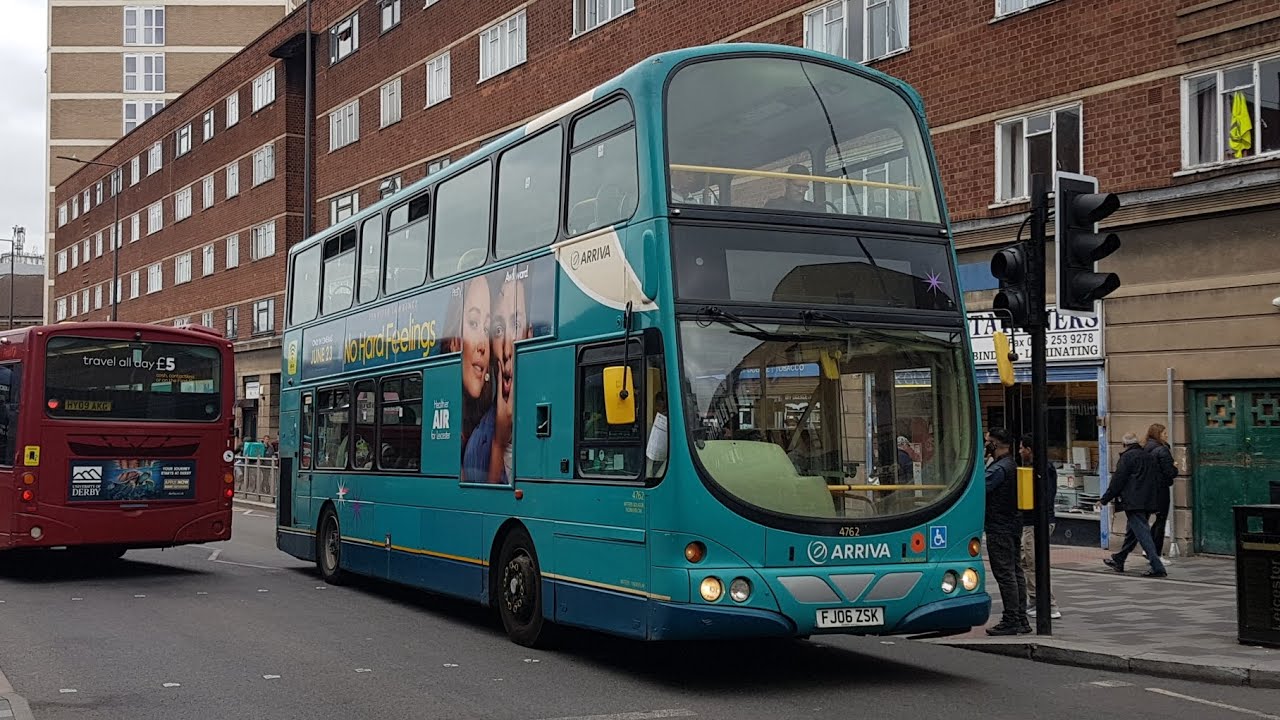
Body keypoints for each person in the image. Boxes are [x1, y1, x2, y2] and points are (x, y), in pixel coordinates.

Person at [1109, 424, 1178, 567]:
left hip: (1140, 495)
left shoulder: (1145, 449)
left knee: (1136, 527)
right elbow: (1170, 472)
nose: (1166, 435)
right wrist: (1175, 467)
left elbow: (1121, 478)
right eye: (1164, 433)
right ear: (1158, 434)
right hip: (1157, 492)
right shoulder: (1162, 450)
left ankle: (1121, 558)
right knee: (1157, 521)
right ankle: (1155, 557)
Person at [1100, 433, 1168, 577]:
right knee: (1133, 532)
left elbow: (1118, 481)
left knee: (1143, 533)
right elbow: (1157, 479)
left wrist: (1104, 499)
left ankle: (1157, 566)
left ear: (1124, 445)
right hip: (1148, 501)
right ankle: (1120, 559)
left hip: (1133, 502)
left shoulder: (1127, 458)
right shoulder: (1148, 456)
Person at [984, 427, 1030, 635]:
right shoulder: (1011, 464)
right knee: (1015, 571)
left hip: (999, 526)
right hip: (1012, 525)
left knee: (1005, 573)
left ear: (994, 444)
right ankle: (1020, 618)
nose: (985, 445)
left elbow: (980, 488)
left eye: (987, 442)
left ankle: (1011, 618)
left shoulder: (998, 469)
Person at [1018, 434, 1061, 619]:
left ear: (1029, 450)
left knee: (1035, 563)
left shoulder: (1042, 469)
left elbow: (1043, 496)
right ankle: (1036, 600)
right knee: (1027, 562)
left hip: (1036, 522)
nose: (1020, 451)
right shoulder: (1039, 468)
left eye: (1022, 448)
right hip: (1032, 522)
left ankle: (1049, 604)